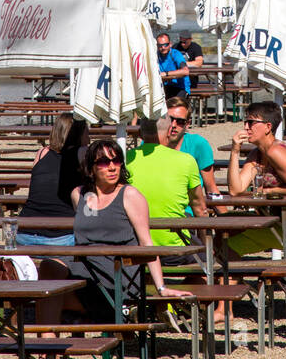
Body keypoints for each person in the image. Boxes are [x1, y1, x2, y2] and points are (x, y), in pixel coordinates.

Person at [39, 140, 191, 325]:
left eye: (116, 161)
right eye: (103, 162)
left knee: (47, 297)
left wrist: (161, 287)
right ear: (91, 168)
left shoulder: (130, 195)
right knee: (47, 269)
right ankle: (47, 345)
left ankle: (47, 345)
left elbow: (147, 244)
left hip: (117, 273)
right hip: (84, 270)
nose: (112, 167)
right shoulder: (79, 195)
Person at [225, 102, 286, 258]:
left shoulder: (276, 151)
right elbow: (236, 190)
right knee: (224, 229)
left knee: (225, 237)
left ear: (267, 127)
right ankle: (235, 279)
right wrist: (235, 150)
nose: (246, 127)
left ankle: (234, 279)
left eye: (251, 122)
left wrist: (269, 191)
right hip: (274, 223)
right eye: (245, 122)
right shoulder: (256, 154)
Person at [125, 117, 206, 244]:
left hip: (135, 246)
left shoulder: (125, 160)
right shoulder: (186, 161)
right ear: (169, 131)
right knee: (209, 258)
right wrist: (205, 243)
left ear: (140, 134)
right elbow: (200, 208)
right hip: (175, 246)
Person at [17, 112, 87, 246]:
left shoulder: (42, 153)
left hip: (24, 234)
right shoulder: (82, 153)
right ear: (78, 134)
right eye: (87, 133)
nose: (89, 139)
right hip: (62, 236)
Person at [160, 95, 219, 199]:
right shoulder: (151, 144)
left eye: (180, 122)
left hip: (188, 211)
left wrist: (225, 215)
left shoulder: (198, 144)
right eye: (170, 119)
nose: (173, 125)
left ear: (187, 124)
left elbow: (211, 187)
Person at [156, 33, 189, 99]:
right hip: (164, 87)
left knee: (175, 105)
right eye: (160, 45)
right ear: (157, 46)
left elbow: (185, 71)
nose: (163, 47)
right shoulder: (155, 55)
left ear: (170, 44)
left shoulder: (176, 54)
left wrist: (166, 74)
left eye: (166, 45)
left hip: (179, 87)